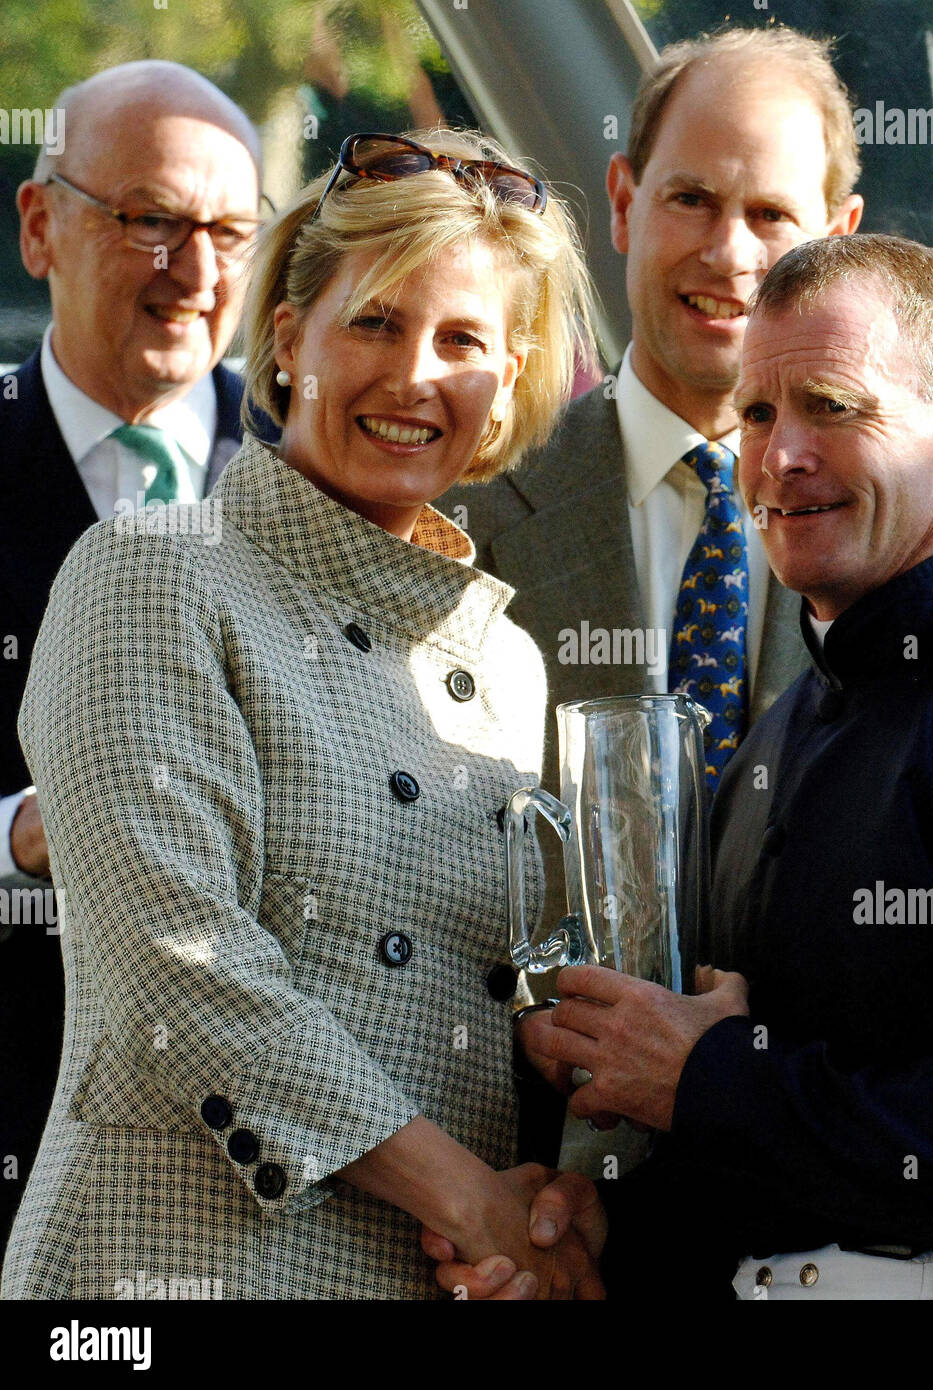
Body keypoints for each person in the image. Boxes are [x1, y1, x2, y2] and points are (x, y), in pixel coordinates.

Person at [431, 234, 933, 1301]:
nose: (779, 455)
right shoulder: (775, 741)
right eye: (757, 414)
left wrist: (709, 1074)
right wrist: (593, 1232)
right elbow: (773, 1150)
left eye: (832, 407)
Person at [2, 127, 605, 1300]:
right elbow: (176, 964)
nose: (414, 375)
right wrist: (469, 1195)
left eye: (463, 340)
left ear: (507, 382)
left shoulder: (516, 668)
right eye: (374, 322)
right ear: (287, 342)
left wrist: (561, 1199)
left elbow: (529, 995)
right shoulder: (152, 572)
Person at [0, 60, 263, 1252]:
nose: (196, 273)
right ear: (41, 224)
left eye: (228, 231)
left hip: (258, 1170)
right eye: (152, 221)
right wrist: (21, 834)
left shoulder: (316, 476)